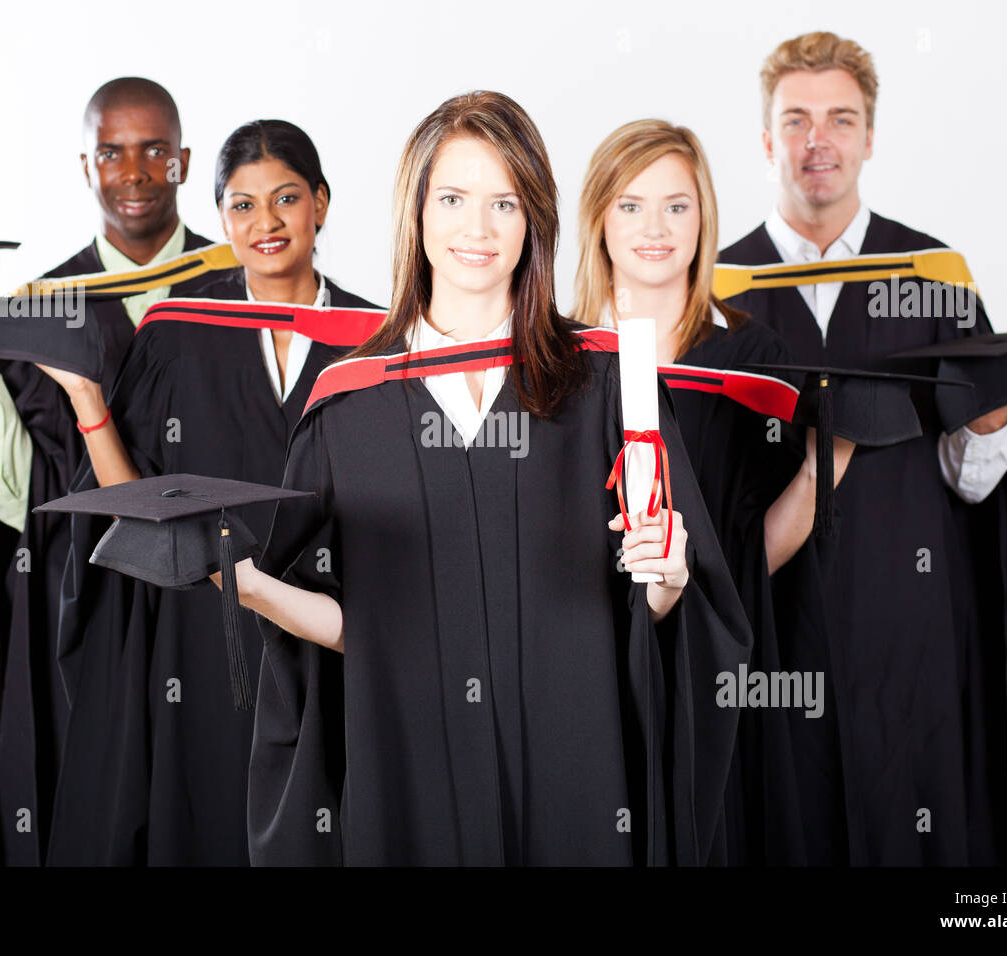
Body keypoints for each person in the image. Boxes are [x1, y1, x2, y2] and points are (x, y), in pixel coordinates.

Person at [234, 91, 753, 866]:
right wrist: (243, 583)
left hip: (577, 783)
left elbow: (663, 613)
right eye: (452, 198)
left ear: (533, 219)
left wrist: (670, 578)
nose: (476, 230)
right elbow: (351, 631)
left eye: (503, 202)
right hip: (413, 775)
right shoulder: (350, 402)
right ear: (416, 210)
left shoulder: (605, 379)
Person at [718, 31, 1007, 864]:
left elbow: (977, 489)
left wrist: (988, 424)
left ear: (869, 136)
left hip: (910, 625)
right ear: (765, 139)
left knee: (913, 819)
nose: (816, 140)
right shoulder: (717, 289)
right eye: (795, 120)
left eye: (839, 119)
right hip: (773, 628)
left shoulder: (934, 273)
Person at [44, 120, 381, 865]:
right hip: (209, 644)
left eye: (286, 198)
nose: (266, 224)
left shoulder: (378, 338)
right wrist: (87, 402)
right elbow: (134, 503)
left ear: (320, 204)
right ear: (221, 217)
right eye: (241, 205)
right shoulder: (181, 332)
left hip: (339, 641)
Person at [0, 76, 214, 865]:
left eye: (155, 150)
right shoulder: (40, 309)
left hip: (219, 603)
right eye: (112, 152)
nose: (134, 172)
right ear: (85, 166)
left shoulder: (238, 290)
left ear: (183, 161)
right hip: (88, 611)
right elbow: (18, 499)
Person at [574, 118, 855, 864]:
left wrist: (827, 461)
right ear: (599, 217)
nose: (655, 228)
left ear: (705, 220)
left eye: (677, 205)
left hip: (711, 662)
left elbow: (759, 549)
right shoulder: (560, 359)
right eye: (630, 205)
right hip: (584, 660)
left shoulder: (752, 358)